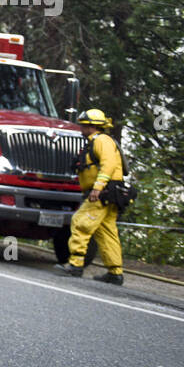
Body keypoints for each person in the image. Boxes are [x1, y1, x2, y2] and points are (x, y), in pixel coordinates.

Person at [55, 108, 126, 284]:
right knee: (106, 232)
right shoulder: (94, 141)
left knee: (80, 222)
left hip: (102, 193)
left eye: (84, 125)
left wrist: (97, 188)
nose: (81, 127)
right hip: (107, 193)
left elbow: (108, 165)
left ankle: (75, 265)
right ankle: (115, 273)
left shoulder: (102, 141)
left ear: (92, 126)